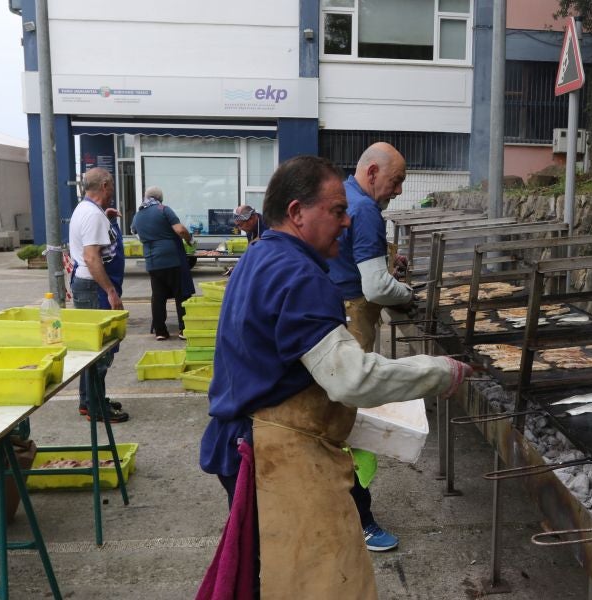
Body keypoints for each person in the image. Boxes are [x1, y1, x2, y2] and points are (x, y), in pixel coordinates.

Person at [198, 155, 471, 599]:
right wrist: (438, 371)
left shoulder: (260, 255)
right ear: (296, 213)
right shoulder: (299, 276)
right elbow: (350, 380)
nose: (346, 223)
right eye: (337, 211)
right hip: (271, 453)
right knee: (319, 581)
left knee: (266, 571)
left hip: (243, 441)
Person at [327, 142, 412, 552]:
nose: (397, 191)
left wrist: (387, 268)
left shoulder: (348, 197)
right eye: (395, 182)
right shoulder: (363, 210)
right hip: (351, 317)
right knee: (348, 420)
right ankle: (358, 519)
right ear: (373, 172)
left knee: (339, 414)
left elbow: (361, 266)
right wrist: (408, 294)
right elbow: (374, 286)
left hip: (335, 312)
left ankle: (345, 512)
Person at [68, 167, 129, 423]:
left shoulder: (92, 212)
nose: (113, 189)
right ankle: (94, 407)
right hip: (95, 289)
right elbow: (92, 258)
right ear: (104, 185)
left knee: (95, 348)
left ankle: (90, 400)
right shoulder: (92, 216)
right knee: (101, 350)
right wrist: (111, 292)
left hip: (90, 286)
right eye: (112, 184)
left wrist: (108, 218)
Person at [131, 186, 195, 341]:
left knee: (158, 296)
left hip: (153, 261)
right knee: (181, 294)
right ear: (160, 198)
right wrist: (190, 239)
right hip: (171, 258)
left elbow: (135, 232)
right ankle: (183, 329)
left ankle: (160, 331)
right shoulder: (163, 209)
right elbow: (180, 230)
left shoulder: (138, 215)